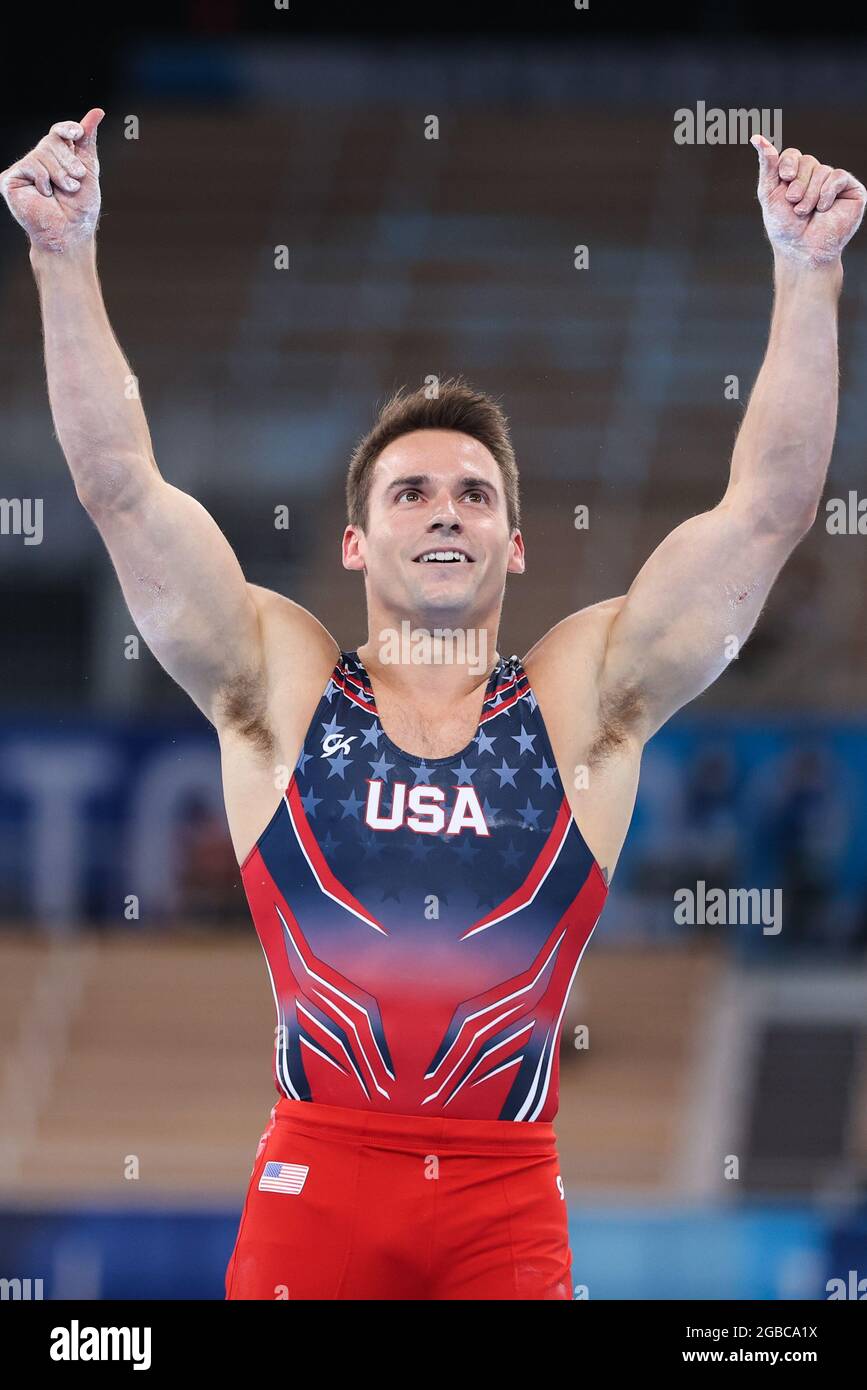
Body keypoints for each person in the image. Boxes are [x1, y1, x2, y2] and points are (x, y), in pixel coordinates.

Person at [2, 109, 863, 1300]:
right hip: (316, 1183)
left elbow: (765, 515)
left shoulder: (582, 699)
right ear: (354, 543)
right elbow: (119, 489)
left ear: (516, 543)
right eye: (410, 492)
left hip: (502, 1201)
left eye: (473, 492)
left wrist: (806, 270)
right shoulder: (278, 684)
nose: (445, 509)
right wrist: (63, 251)